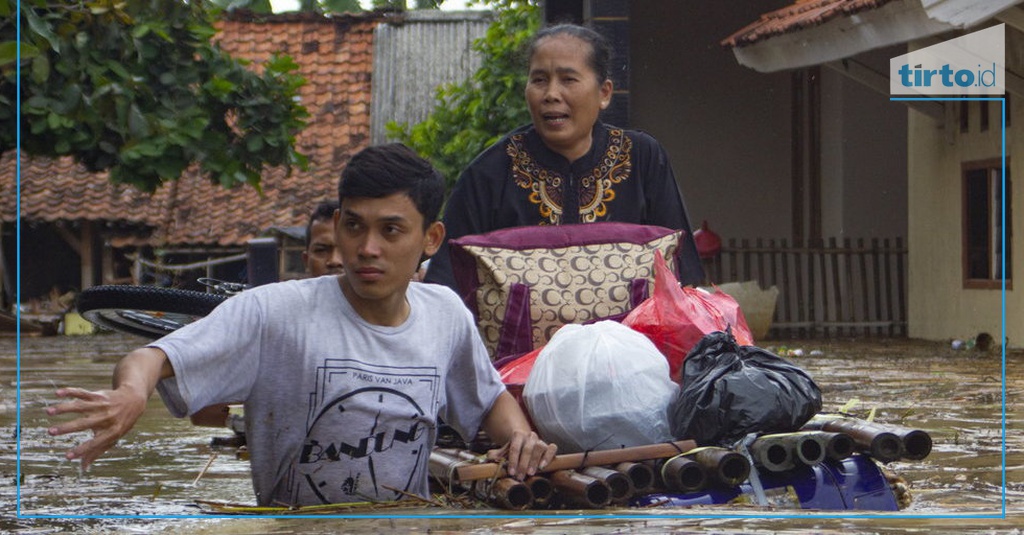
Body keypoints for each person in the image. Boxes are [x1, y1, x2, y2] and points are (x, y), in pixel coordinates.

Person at [46, 143, 557, 507]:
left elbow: (488, 399)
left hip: (405, 522)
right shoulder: (272, 312)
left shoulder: (445, 313)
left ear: (431, 239)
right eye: (354, 226)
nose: (367, 248)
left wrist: (519, 439)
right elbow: (152, 357)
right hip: (294, 523)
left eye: (390, 230)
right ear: (337, 226)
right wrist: (130, 394)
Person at [424, 23, 704, 290]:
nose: (551, 94)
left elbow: (681, 273)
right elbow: (448, 284)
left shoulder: (642, 158)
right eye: (539, 80)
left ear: (604, 93)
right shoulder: (489, 173)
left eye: (568, 79)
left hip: (633, 326)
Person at [188, 200, 344, 431]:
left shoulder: (391, 320)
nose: (334, 261)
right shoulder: (272, 318)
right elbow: (202, 411)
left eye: (344, 249)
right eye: (322, 250)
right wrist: (240, 424)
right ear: (306, 259)